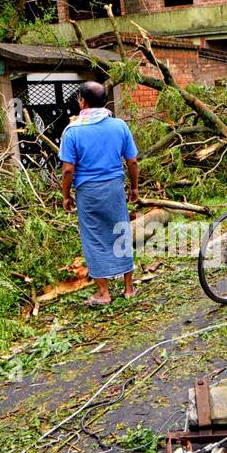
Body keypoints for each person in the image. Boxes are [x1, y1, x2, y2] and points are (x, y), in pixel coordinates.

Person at [59, 81, 139, 306]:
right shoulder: (119, 126)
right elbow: (132, 161)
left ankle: (103, 292)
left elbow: (68, 170)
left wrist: (66, 196)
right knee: (120, 232)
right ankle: (129, 288)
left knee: (94, 238)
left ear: (82, 101)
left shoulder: (72, 131)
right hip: (114, 187)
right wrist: (134, 188)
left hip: (89, 192)